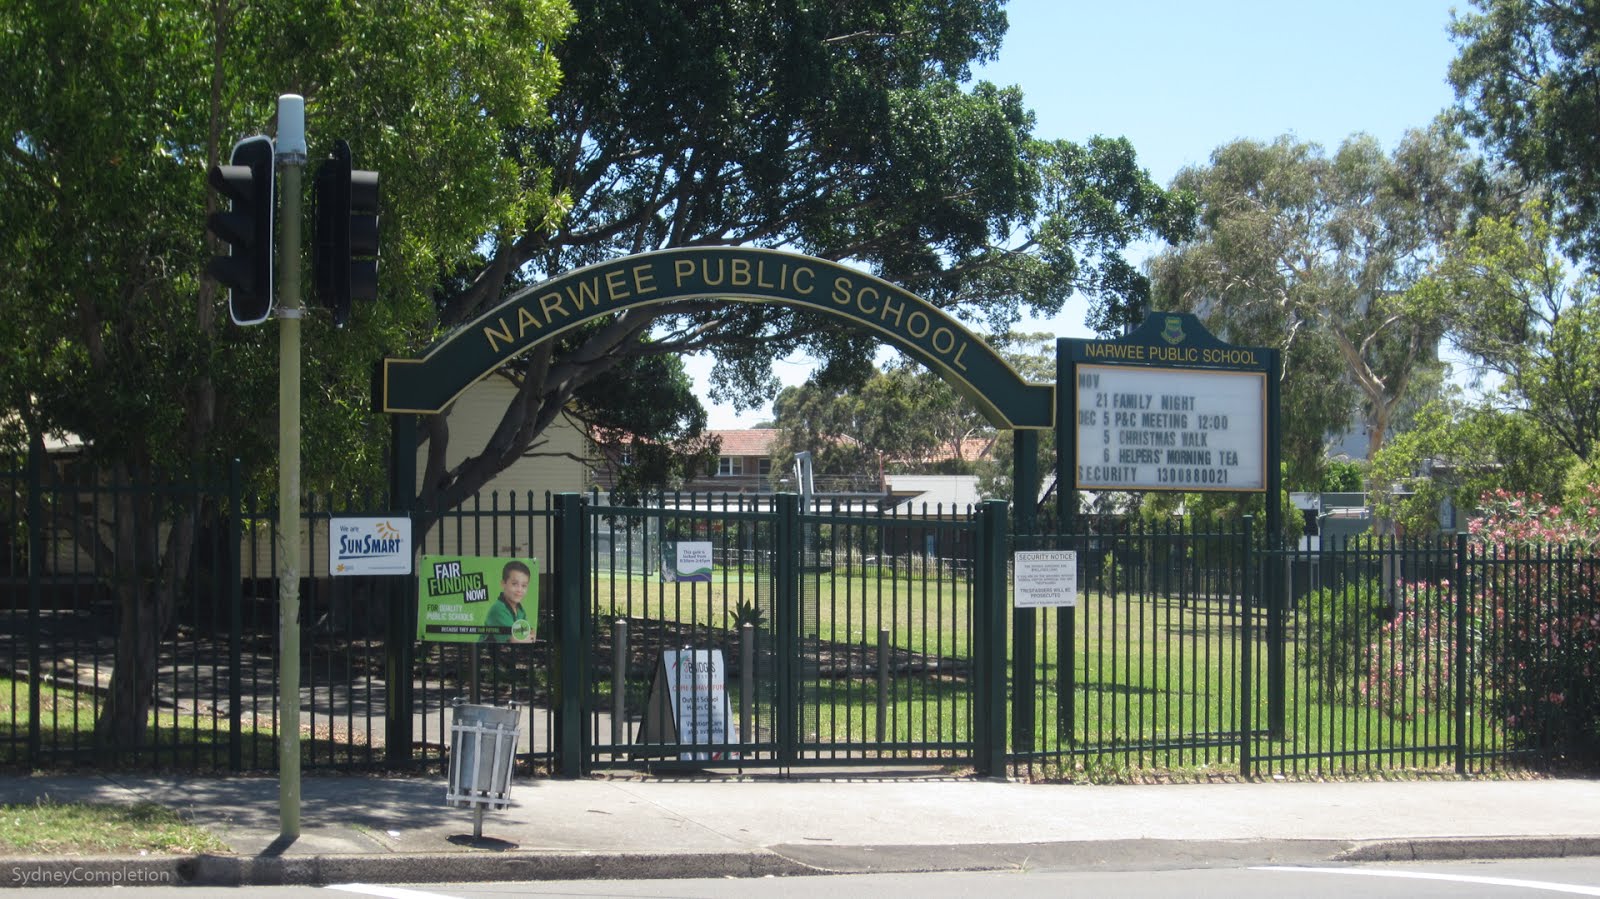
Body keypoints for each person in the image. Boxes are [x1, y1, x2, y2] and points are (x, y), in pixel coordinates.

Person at [481, 560, 533, 643]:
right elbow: (516, 639)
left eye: (524, 586)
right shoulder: (498, 609)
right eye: (514, 584)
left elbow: (529, 633)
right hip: (487, 653)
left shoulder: (520, 609)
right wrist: (527, 637)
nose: (519, 590)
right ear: (503, 584)